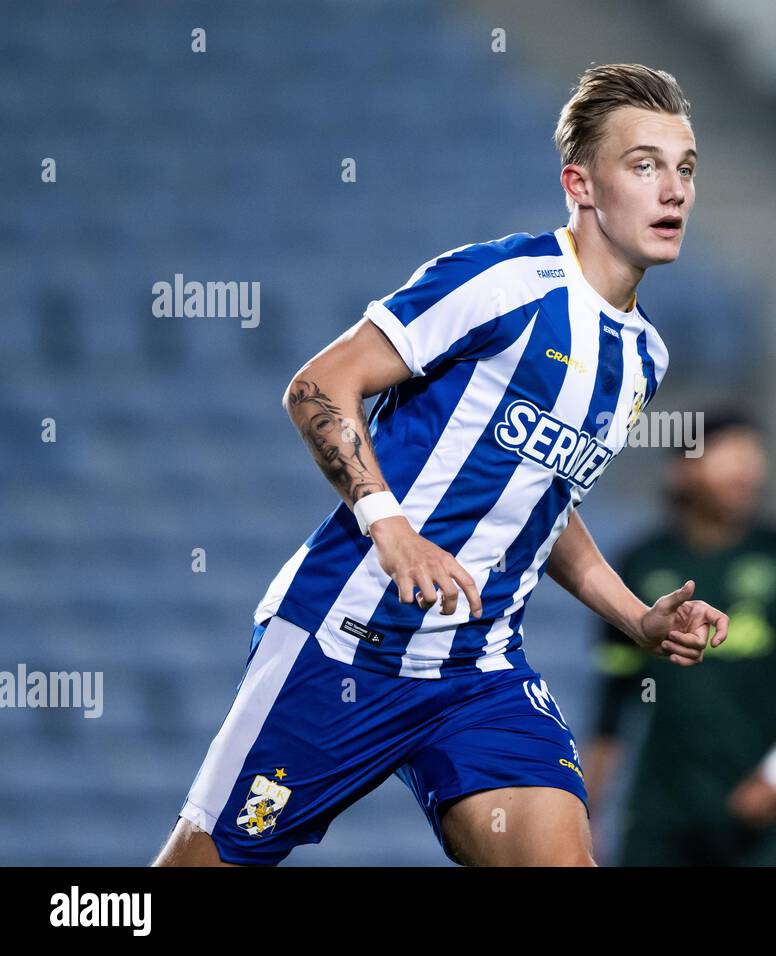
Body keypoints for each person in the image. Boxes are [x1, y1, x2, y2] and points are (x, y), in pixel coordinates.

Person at [152, 63, 729, 867]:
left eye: (686, 169)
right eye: (644, 165)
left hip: (477, 670)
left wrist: (636, 617)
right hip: (346, 642)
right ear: (581, 184)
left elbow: (542, 502)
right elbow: (320, 385)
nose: (674, 191)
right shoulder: (502, 282)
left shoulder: (643, 357)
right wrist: (389, 527)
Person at [584, 410, 776, 865]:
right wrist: (589, 810)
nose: (747, 468)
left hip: (756, 813)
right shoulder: (642, 562)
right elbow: (613, 701)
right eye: (729, 453)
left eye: (754, 456)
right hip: (659, 812)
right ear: (683, 467)